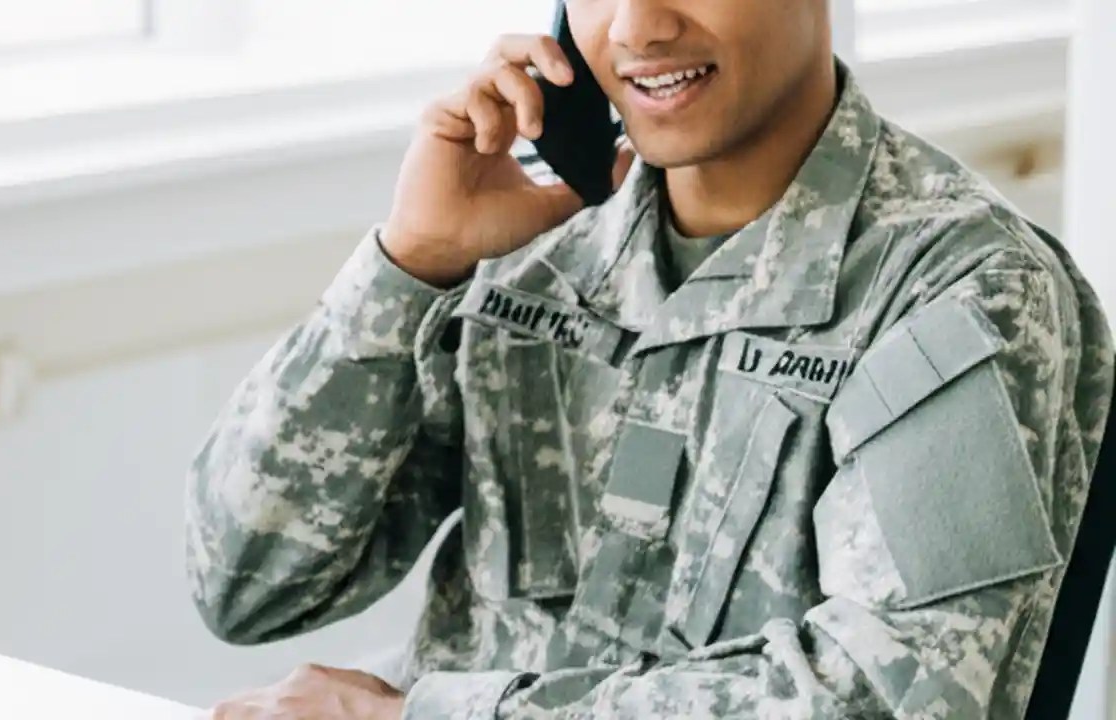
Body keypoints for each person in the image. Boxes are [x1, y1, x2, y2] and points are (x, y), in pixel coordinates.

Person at [185, 0, 1115, 717]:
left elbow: (888, 697)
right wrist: (408, 266)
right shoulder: (534, 244)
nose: (639, 28)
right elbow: (245, 584)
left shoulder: (959, 290)